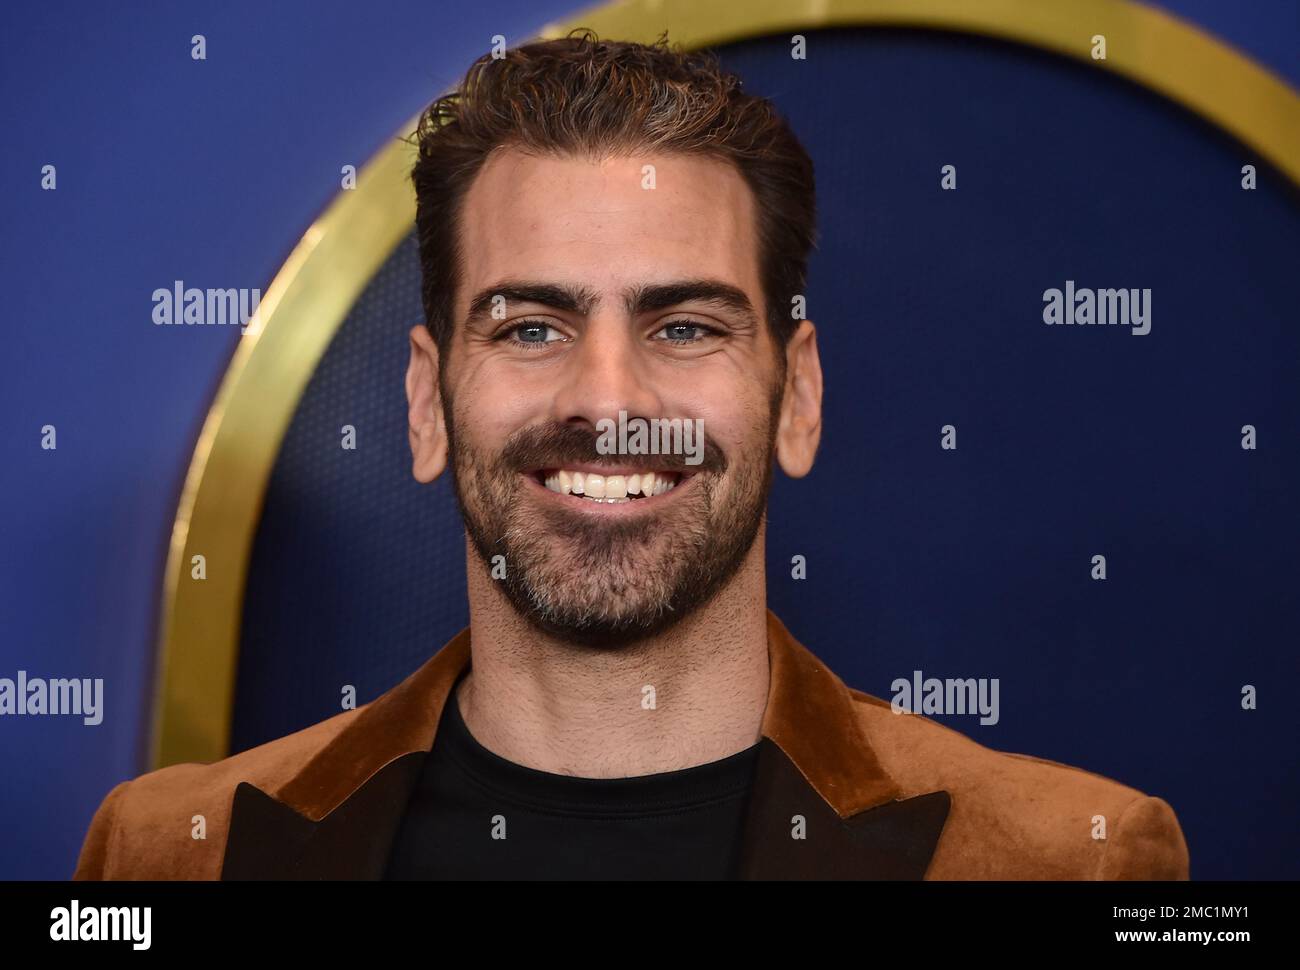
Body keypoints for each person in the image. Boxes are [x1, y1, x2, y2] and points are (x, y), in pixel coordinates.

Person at [73, 29, 1188, 880]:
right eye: (529, 328)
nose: (608, 399)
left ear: (796, 396)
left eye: (686, 326)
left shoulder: (1067, 859)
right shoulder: (170, 852)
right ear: (423, 403)